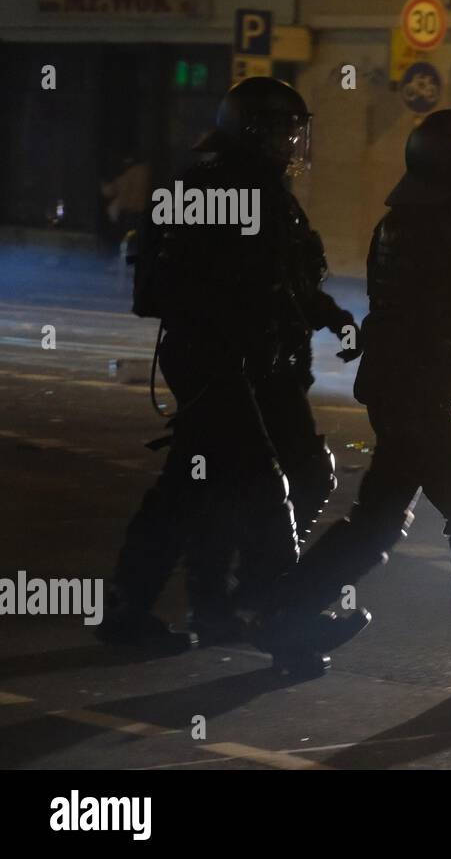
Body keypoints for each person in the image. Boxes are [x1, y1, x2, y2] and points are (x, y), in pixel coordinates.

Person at [256, 110, 451, 690]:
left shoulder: (409, 220)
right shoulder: (445, 225)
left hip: (402, 388)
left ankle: (286, 615)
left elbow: (450, 319)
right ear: (449, 168)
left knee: (377, 519)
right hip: (414, 394)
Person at [97, 77, 356, 656]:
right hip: (221, 365)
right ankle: (279, 616)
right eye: (286, 130)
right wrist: (236, 329)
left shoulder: (266, 191)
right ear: (256, 131)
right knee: (261, 485)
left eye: (297, 130)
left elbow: (289, 280)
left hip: (263, 366)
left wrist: (334, 318)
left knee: (205, 487)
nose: (295, 142)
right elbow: (178, 288)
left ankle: (200, 608)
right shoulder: (215, 190)